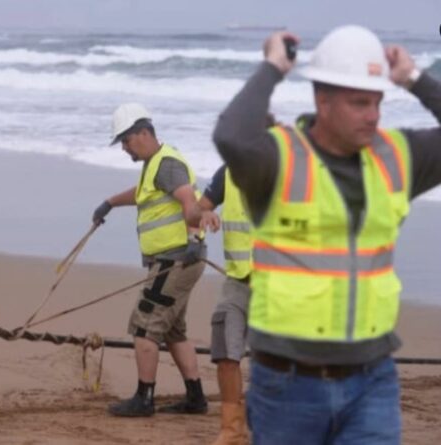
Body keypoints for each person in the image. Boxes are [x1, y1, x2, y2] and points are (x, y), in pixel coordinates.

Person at [213, 25, 441, 444]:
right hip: (287, 386)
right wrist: (273, 67)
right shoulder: (277, 160)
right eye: (359, 102)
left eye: (377, 101)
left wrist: (414, 78)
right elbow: (231, 136)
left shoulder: (397, 157)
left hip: (372, 380)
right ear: (323, 100)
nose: (373, 115)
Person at [93, 103, 208, 417]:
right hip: (176, 259)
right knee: (173, 330)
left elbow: (189, 201)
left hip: (176, 259)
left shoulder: (167, 164)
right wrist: (110, 203)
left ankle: (144, 399)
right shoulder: (155, 165)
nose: (124, 148)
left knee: (144, 324)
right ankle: (196, 398)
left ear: (143, 133)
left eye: (126, 140)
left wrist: (194, 238)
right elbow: (143, 193)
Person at [186, 164, 251, 444]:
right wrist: (203, 214)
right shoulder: (229, 172)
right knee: (225, 353)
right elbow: (192, 212)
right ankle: (232, 432)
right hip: (238, 281)